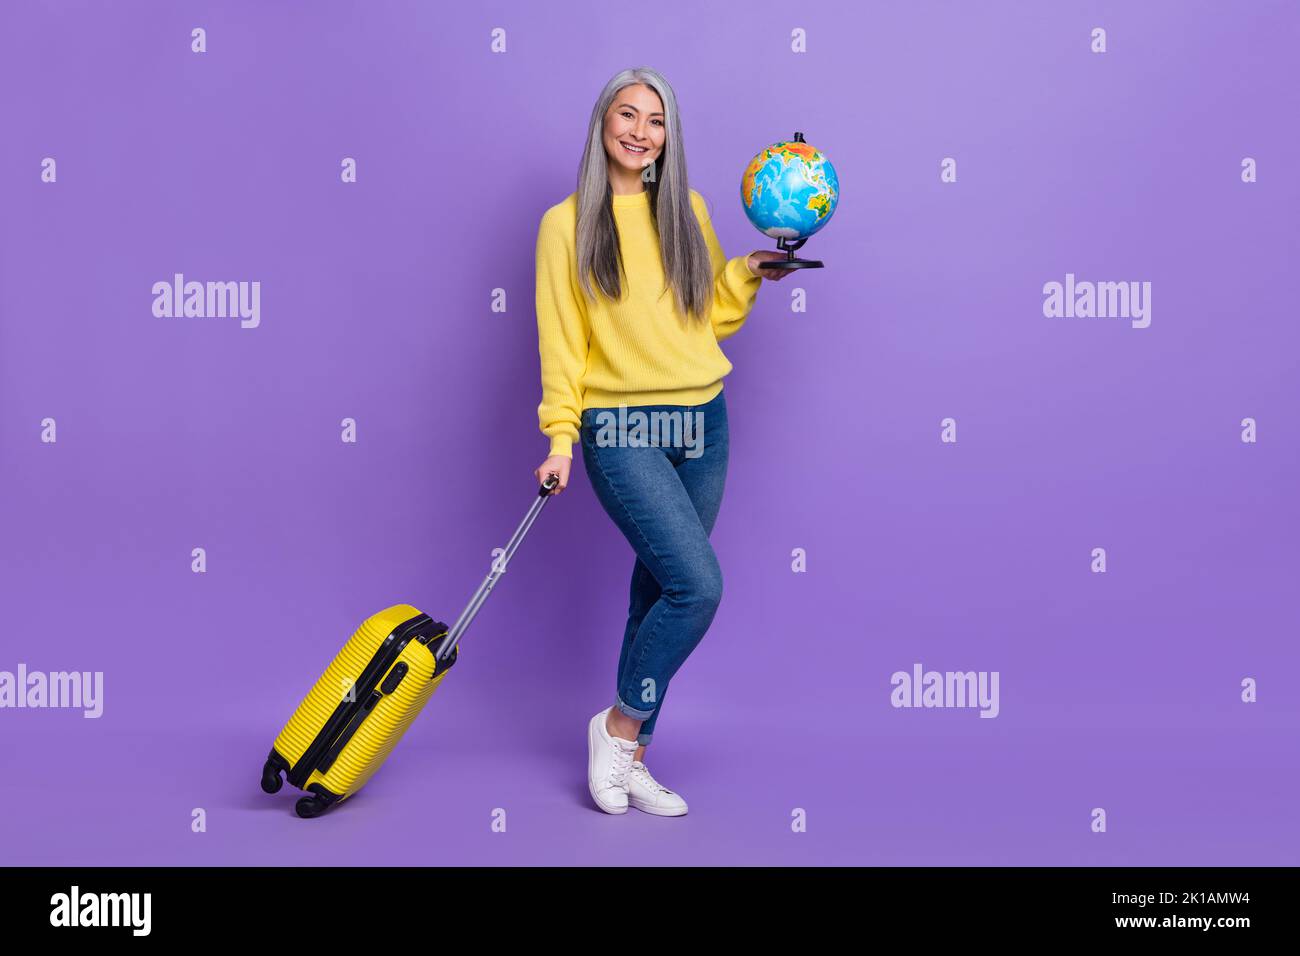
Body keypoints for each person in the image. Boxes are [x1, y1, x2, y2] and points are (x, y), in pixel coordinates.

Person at [532, 67, 792, 816]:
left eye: (656, 121)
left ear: (668, 137)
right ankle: (615, 729)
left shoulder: (687, 210)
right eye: (627, 115)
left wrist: (745, 271)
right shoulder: (565, 224)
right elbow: (563, 341)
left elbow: (705, 315)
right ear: (602, 123)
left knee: (655, 595)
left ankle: (631, 760)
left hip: (703, 422)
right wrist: (560, 438)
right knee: (696, 585)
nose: (639, 132)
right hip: (623, 429)